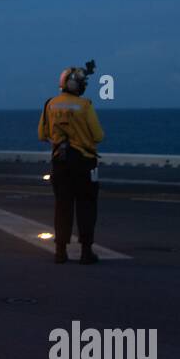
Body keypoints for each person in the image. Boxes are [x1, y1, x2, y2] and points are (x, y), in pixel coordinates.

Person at [37, 64, 104, 264]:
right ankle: (86, 252)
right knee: (86, 206)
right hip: (84, 163)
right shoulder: (85, 105)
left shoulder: (50, 104)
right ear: (77, 85)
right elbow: (98, 136)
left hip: (60, 162)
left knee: (62, 206)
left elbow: (42, 134)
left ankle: (60, 251)